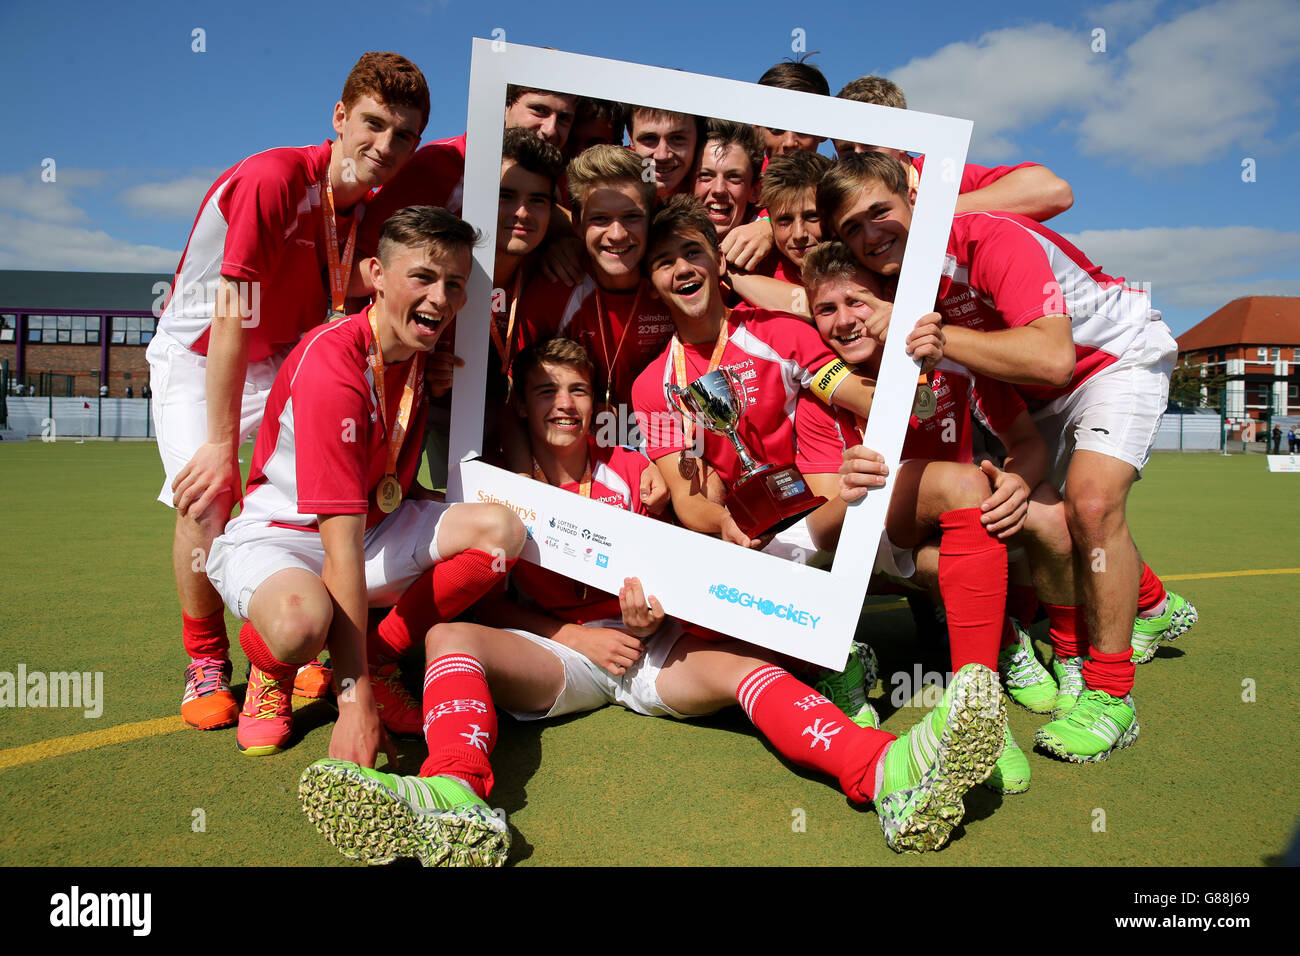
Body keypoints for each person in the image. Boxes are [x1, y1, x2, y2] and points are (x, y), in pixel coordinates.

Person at [298, 335, 1006, 864]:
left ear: (597, 405)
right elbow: (485, 604)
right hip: (559, 654)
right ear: (521, 403)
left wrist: (653, 610)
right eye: (547, 391)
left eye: (577, 390)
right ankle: (455, 799)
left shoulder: (638, 474)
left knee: (742, 672)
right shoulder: (496, 483)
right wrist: (572, 638)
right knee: (450, 638)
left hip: (651, 647)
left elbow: (683, 572)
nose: (564, 405)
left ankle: (887, 772)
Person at [818, 152, 1197, 762]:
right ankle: (1131, 612)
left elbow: (1053, 359)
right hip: (1032, 394)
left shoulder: (990, 238)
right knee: (1042, 516)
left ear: (914, 198)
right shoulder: (903, 288)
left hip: (1111, 359)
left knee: (1092, 502)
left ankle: (1110, 695)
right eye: (851, 230)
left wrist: (940, 341)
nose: (868, 237)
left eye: (878, 212)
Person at [149, 53, 429, 734]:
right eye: (372, 125)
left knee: (339, 485)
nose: (385, 148)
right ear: (339, 117)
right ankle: (207, 660)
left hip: (292, 349)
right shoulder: (275, 179)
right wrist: (221, 444)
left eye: (403, 137)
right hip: (205, 353)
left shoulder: (374, 203)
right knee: (205, 489)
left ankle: (312, 632)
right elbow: (229, 318)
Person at [204, 207, 526, 758]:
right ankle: (271, 665)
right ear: (376, 275)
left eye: (454, 284)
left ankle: (373, 659)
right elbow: (340, 549)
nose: (440, 299)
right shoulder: (334, 365)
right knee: (301, 623)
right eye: (422, 277)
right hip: (285, 536)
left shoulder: (421, 349)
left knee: (500, 532)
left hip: (376, 524)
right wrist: (357, 707)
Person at [799, 240, 1083, 793]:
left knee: (1048, 515)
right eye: (825, 310)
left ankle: (1026, 659)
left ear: (890, 300)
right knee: (960, 486)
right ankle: (985, 691)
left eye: (857, 301)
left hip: (955, 527)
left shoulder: (951, 360)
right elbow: (825, 527)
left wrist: (1018, 481)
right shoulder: (818, 393)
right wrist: (852, 484)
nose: (844, 320)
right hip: (864, 541)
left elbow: (1025, 442)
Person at [833, 75, 1074, 222]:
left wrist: (923, 212)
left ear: (903, 141)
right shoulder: (834, 191)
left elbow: (1054, 192)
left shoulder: (938, 171)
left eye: (869, 145)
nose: (858, 156)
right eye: (845, 149)